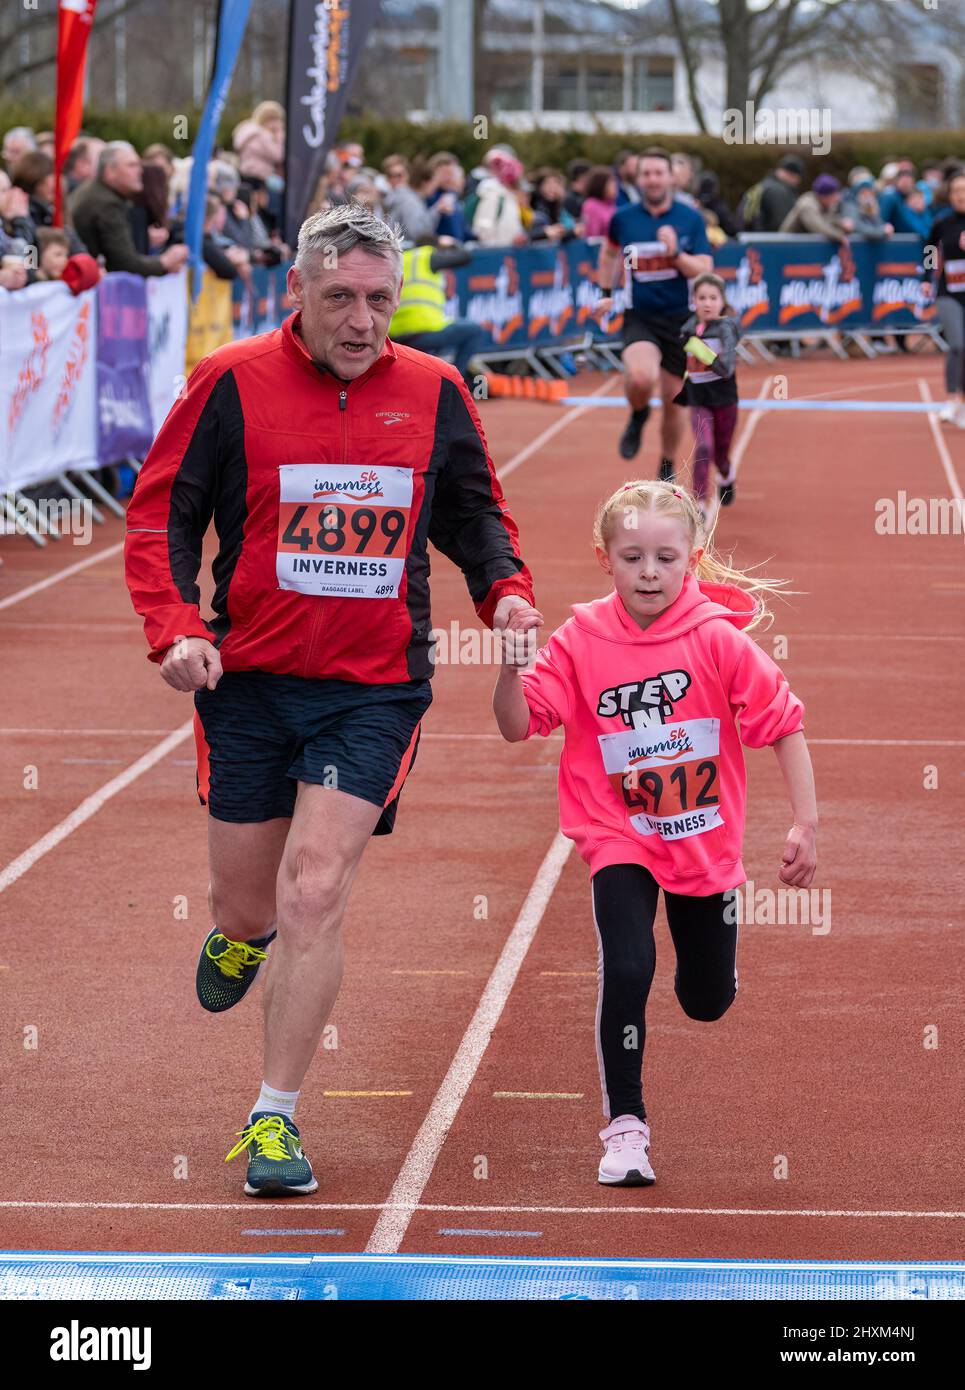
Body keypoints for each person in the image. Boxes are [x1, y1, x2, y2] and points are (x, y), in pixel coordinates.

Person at [123, 202, 541, 1197]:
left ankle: (273, 1117)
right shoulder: (229, 383)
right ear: (298, 294)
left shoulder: (433, 389)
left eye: (379, 301)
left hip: (373, 687)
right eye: (341, 298)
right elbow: (162, 513)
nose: (361, 321)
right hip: (250, 683)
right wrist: (175, 625)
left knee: (316, 886)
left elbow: (475, 512)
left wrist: (505, 590)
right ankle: (238, 934)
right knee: (250, 899)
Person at [493, 479, 816, 1186]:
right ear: (604, 559)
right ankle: (626, 1130)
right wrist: (509, 669)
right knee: (629, 966)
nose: (648, 571)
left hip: (703, 839)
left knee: (705, 1002)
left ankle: (714, 970)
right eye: (632, 556)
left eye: (665, 558)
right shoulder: (580, 639)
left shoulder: (716, 641)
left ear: (691, 560)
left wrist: (804, 822)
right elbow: (519, 724)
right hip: (617, 834)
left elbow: (783, 725)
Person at [593, 146, 713, 474]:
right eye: (647, 173)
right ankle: (639, 411)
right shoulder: (623, 218)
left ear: (671, 178)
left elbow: (704, 269)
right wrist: (606, 293)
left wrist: (674, 253)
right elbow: (608, 254)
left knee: (676, 402)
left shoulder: (690, 218)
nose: (653, 180)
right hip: (640, 316)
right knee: (641, 377)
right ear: (639, 178)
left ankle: (666, 464)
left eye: (659, 173)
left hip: (679, 319)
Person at [673, 273, 742, 526]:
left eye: (713, 298)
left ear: (722, 301)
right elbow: (681, 362)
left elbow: (727, 370)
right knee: (703, 447)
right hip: (699, 400)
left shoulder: (727, 328)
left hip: (725, 401)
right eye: (702, 298)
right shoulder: (688, 328)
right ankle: (699, 503)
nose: (707, 303)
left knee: (721, 454)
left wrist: (702, 351)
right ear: (694, 301)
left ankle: (726, 476)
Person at [69, 142, 189, 276]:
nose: (140, 170)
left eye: (139, 164)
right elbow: (124, 263)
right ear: (110, 171)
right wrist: (164, 262)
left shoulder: (96, 193)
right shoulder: (106, 203)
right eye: (131, 165)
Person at [389, 238, 485, 389]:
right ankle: (455, 385)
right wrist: (451, 243)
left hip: (394, 335)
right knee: (474, 331)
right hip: (424, 331)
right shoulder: (426, 255)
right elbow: (465, 257)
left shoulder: (398, 261)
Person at [925, 171, 965, 428]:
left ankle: (962, 402)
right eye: (957, 191)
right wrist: (924, 281)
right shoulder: (943, 222)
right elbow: (929, 249)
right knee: (958, 345)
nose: (962, 195)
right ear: (950, 196)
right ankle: (952, 399)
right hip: (948, 292)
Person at [779, 174, 853, 243]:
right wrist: (840, 236)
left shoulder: (824, 205)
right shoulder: (807, 204)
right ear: (824, 196)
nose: (837, 198)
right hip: (786, 248)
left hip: (800, 249)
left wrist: (841, 223)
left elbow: (828, 220)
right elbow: (818, 227)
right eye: (834, 195)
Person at [740, 154, 805, 233]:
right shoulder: (778, 191)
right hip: (765, 240)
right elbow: (782, 223)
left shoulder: (762, 185)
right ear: (793, 175)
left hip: (750, 238)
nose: (798, 182)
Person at [878, 166, 932, 239]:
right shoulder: (891, 198)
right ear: (896, 182)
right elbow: (882, 220)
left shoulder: (915, 197)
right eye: (903, 181)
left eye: (909, 181)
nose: (906, 184)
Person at [839, 171, 893, 240]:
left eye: (869, 190)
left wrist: (886, 227)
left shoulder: (871, 206)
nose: (867, 194)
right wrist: (882, 231)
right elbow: (857, 227)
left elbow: (879, 224)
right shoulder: (850, 205)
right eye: (863, 191)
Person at [579, 166, 618, 239]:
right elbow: (593, 237)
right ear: (601, 185)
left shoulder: (611, 205)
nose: (615, 186)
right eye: (611, 182)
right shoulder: (591, 205)